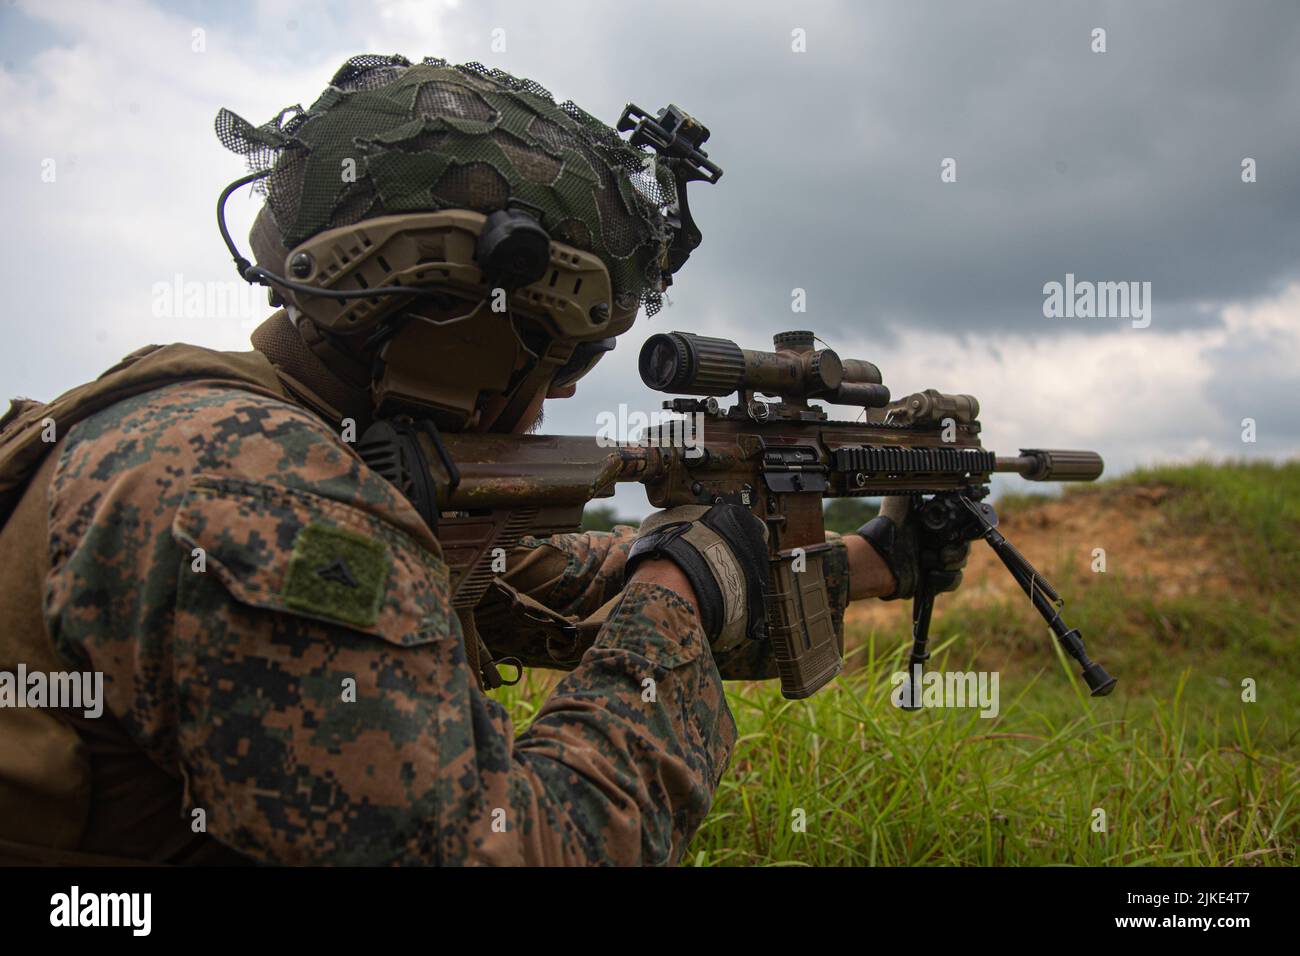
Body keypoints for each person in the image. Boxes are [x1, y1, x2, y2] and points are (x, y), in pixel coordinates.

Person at [0, 55, 964, 865]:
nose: (572, 390)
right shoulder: (261, 493)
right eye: (568, 348)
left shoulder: (226, 426)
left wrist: (876, 560)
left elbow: (538, 586)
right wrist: (679, 586)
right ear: (461, 325)